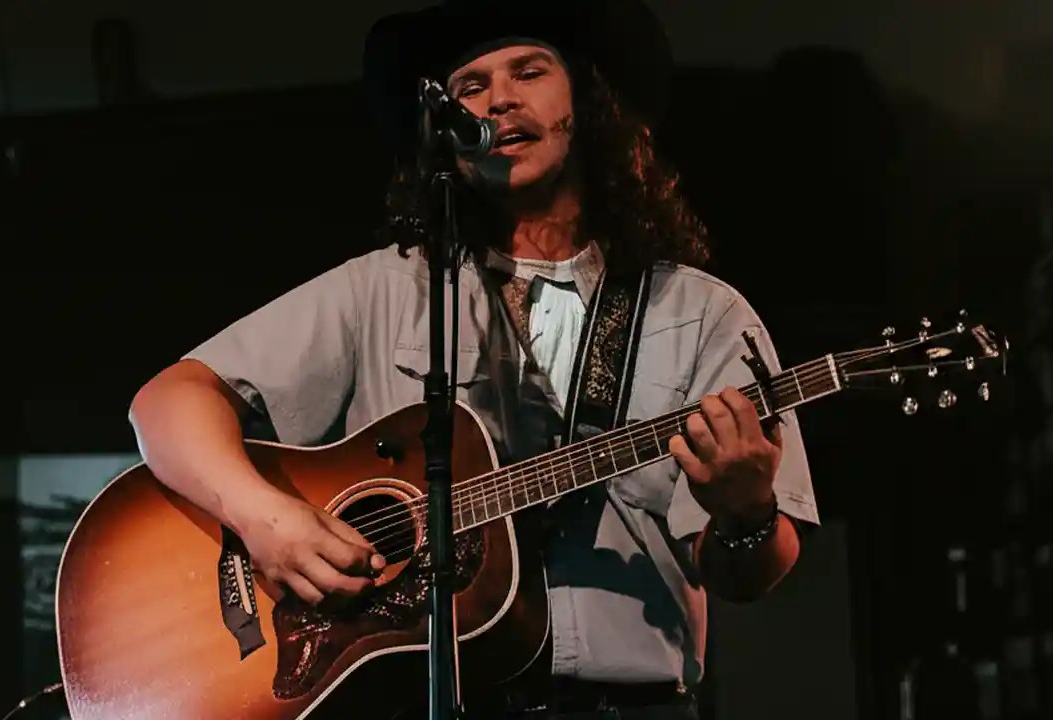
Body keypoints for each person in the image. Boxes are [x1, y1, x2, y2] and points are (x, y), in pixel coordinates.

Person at [128, 1, 819, 718]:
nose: (500, 98)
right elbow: (168, 400)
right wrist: (265, 520)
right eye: (471, 86)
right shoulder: (386, 288)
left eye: (529, 70)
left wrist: (747, 515)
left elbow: (747, 575)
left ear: (583, 100)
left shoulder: (701, 314)